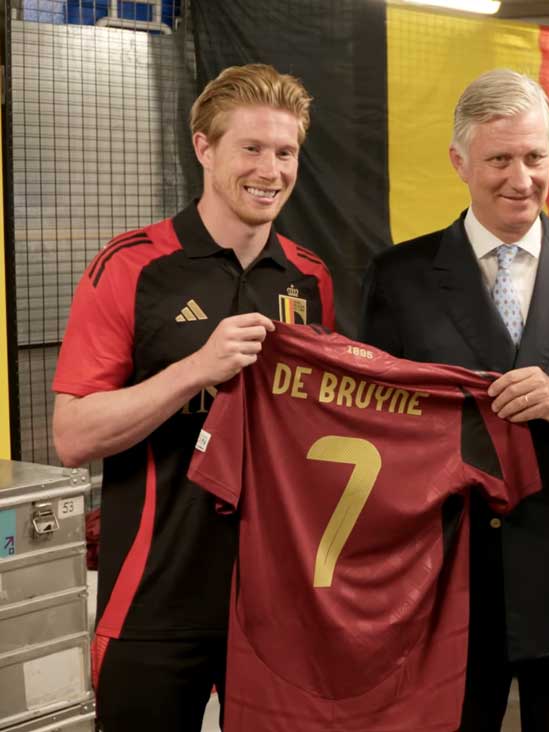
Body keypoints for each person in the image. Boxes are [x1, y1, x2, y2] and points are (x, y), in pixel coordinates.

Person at [360, 68, 549, 732]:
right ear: (459, 162)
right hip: (449, 576)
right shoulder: (400, 278)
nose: (521, 179)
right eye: (499, 159)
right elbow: (374, 424)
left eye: (535, 157)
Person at [51, 63, 334, 731]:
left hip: (276, 602)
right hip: (154, 601)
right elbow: (72, 437)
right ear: (204, 148)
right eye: (252, 148)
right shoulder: (130, 266)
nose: (271, 169)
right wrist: (195, 369)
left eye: (286, 151)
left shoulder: (311, 277)